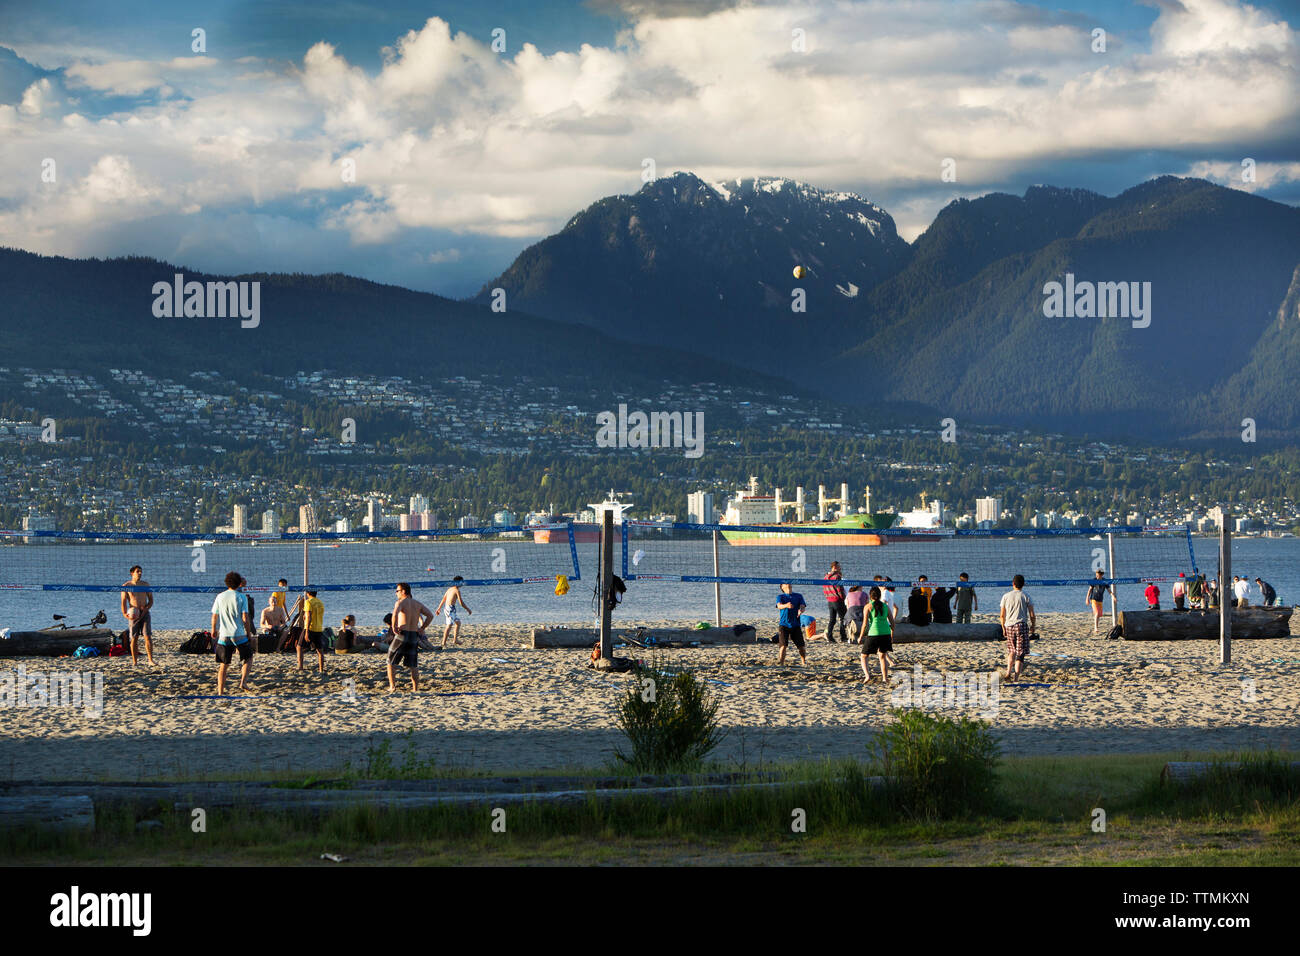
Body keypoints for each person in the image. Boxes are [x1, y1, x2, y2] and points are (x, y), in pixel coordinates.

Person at [210, 570, 255, 695]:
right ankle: (243, 682)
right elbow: (245, 618)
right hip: (238, 633)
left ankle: (220, 691)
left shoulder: (220, 596)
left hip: (224, 634)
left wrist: (213, 629)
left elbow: (214, 616)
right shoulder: (241, 597)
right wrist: (248, 633)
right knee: (248, 657)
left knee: (224, 665)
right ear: (239, 583)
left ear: (227, 582)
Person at [388, 583, 434, 692]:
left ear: (404, 591)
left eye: (397, 591)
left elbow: (395, 614)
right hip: (414, 635)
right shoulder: (417, 603)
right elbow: (430, 615)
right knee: (413, 665)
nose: (396, 593)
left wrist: (394, 627)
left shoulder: (400, 602)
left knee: (391, 661)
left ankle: (392, 687)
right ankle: (415, 689)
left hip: (402, 634)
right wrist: (422, 628)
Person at [998, 574, 1035, 682]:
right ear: (1023, 584)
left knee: (1011, 651)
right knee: (1020, 653)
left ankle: (1008, 672)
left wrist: (1003, 627)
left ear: (1013, 583)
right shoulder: (1025, 596)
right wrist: (1033, 626)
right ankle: (1016, 678)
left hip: (1009, 625)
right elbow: (1032, 614)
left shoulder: (1006, 596)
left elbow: (1002, 615)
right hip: (1021, 625)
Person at [120, 564, 155, 666]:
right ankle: (135, 662)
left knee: (147, 636)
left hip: (144, 613)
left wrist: (146, 609)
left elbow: (151, 601)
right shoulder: (126, 586)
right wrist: (124, 614)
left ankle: (150, 660)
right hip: (133, 614)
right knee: (134, 638)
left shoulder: (145, 585)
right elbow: (123, 601)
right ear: (132, 573)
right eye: (137, 571)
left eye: (140, 571)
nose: (140, 573)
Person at [860, 587, 893, 685]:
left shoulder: (868, 606)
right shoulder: (885, 606)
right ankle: (885, 678)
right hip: (886, 633)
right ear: (880, 595)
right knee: (882, 656)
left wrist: (861, 636)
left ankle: (867, 676)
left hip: (874, 633)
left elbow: (865, 624)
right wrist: (892, 634)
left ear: (870, 596)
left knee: (864, 656)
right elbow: (892, 622)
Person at [775, 583, 808, 665]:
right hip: (784, 624)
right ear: (782, 587)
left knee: (801, 647)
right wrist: (786, 605)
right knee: (783, 646)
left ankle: (803, 662)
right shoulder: (781, 597)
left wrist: (801, 610)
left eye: (789, 583)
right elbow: (779, 606)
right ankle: (781, 663)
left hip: (795, 625)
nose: (788, 584)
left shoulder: (798, 596)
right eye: (785, 584)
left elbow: (803, 606)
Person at [436, 576, 472, 647]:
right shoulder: (456, 590)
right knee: (449, 625)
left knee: (458, 623)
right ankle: (443, 643)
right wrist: (468, 609)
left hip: (451, 609)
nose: (462, 583)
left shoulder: (450, 589)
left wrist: (439, 608)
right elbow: (461, 603)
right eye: (461, 582)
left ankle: (455, 640)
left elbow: (444, 599)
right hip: (449, 609)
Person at [298, 589, 327, 673]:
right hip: (319, 628)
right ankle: (321, 669)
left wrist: (306, 631)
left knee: (299, 647)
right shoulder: (320, 602)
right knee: (320, 651)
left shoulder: (308, 602)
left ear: (308, 593)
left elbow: (308, 617)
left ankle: (300, 668)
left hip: (310, 628)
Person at [822, 561, 848, 643]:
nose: (840, 568)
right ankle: (843, 637)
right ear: (835, 567)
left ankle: (830, 636)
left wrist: (827, 597)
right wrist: (843, 598)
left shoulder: (826, 576)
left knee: (832, 620)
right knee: (843, 619)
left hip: (830, 600)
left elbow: (824, 588)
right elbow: (839, 589)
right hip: (837, 600)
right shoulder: (837, 576)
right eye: (839, 566)